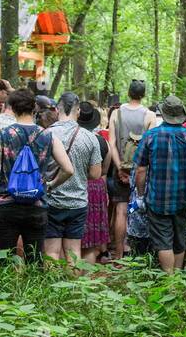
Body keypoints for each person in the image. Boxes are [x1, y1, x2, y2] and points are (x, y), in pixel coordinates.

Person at [0, 89, 74, 266]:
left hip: (7, 204)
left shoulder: (1, 135)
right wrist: (50, 185)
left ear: (12, 108)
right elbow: (68, 169)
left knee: (5, 259)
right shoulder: (48, 136)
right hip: (37, 205)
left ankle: (5, 283)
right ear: (34, 108)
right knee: (35, 260)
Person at [134, 94, 186, 272]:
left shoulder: (150, 136)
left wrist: (141, 195)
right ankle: (178, 276)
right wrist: (183, 167)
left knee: (163, 241)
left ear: (163, 113)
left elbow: (141, 169)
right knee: (180, 237)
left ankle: (170, 279)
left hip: (157, 198)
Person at [42, 92, 103, 264]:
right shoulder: (90, 137)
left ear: (57, 110)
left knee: (51, 252)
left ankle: (53, 282)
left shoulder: (46, 134)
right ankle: (74, 282)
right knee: (74, 252)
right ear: (78, 111)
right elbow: (96, 174)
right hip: (78, 202)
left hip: (51, 200)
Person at [108, 80, 157, 260]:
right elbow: (150, 146)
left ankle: (118, 253)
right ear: (143, 95)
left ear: (128, 93)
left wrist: (119, 167)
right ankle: (138, 253)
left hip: (120, 168)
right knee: (140, 209)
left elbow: (112, 143)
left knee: (121, 211)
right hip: (141, 169)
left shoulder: (116, 113)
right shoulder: (150, 115)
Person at [79, 102, 112, 263]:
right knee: (92, 237)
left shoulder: (71, 138)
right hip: (96, 187)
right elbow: (104, 170)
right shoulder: (102, 142)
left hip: (77, 185)